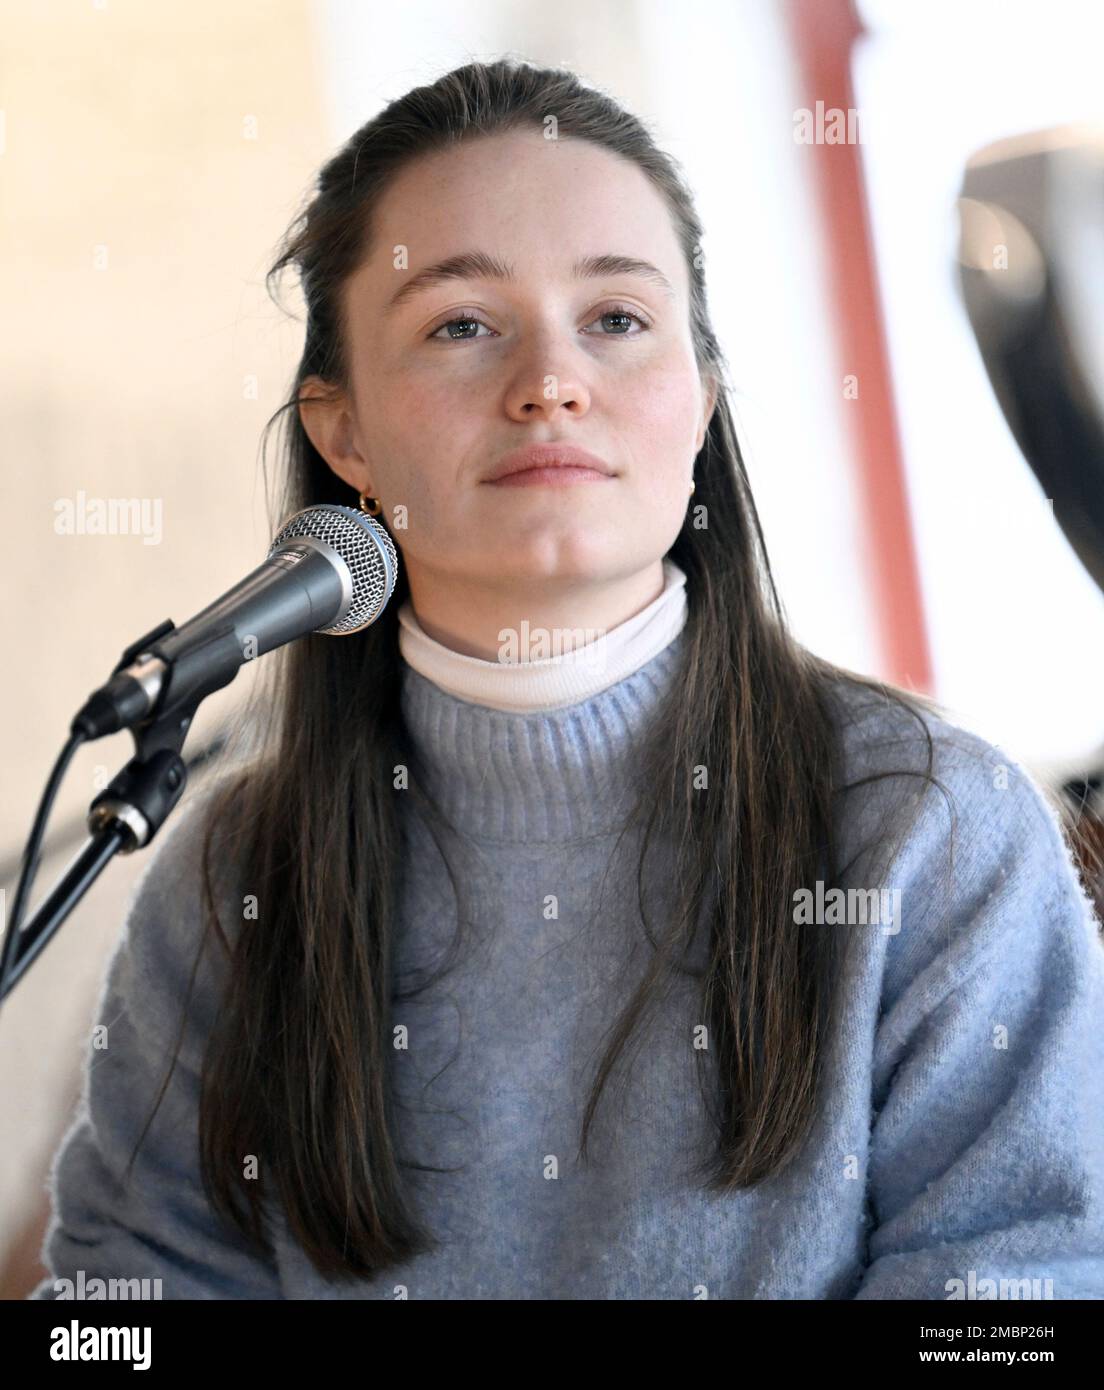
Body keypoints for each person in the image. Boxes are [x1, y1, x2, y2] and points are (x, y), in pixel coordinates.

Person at [31, 57, 1104, 1301]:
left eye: (617, 319)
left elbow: (1020, 1294)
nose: (551, 382)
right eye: (462, 325)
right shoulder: (231, 875)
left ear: (700, 397)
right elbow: (125, 1304)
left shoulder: (929, 827)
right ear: (345, 434)